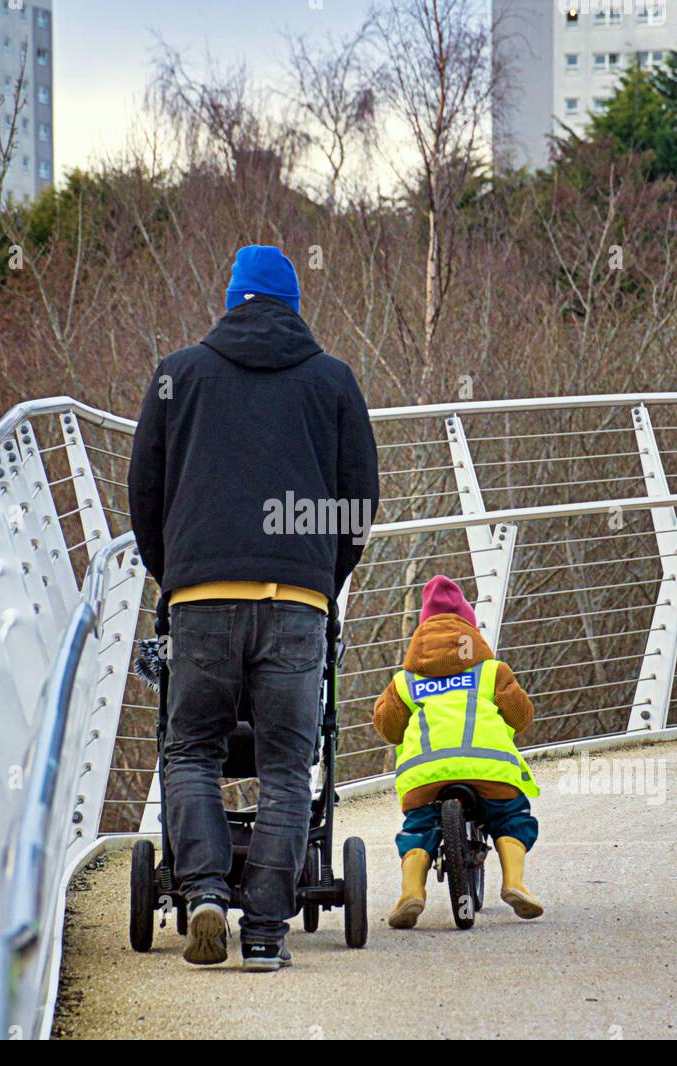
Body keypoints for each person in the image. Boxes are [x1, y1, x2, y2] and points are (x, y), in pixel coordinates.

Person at [128, 244, 379, 972]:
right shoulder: (333, 380)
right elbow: (360, 497)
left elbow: (145, 490)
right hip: (297, 599)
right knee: (285, 764)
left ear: (232, 299)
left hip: (201, 594)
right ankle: (267, 929)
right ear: (294, 307)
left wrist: (171, 574)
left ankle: (204, 887)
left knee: (191, 749)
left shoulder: (178, 375)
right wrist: (323, 578)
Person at [371, 575, 544, 928]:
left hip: (426, 774)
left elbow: (388, 729)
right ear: (471, 631)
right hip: (490, 769)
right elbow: (522, 716)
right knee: (511, 816)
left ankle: (411, 892)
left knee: (419, 826)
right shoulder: (491, 672)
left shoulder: (405, 681)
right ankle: (514, 882)